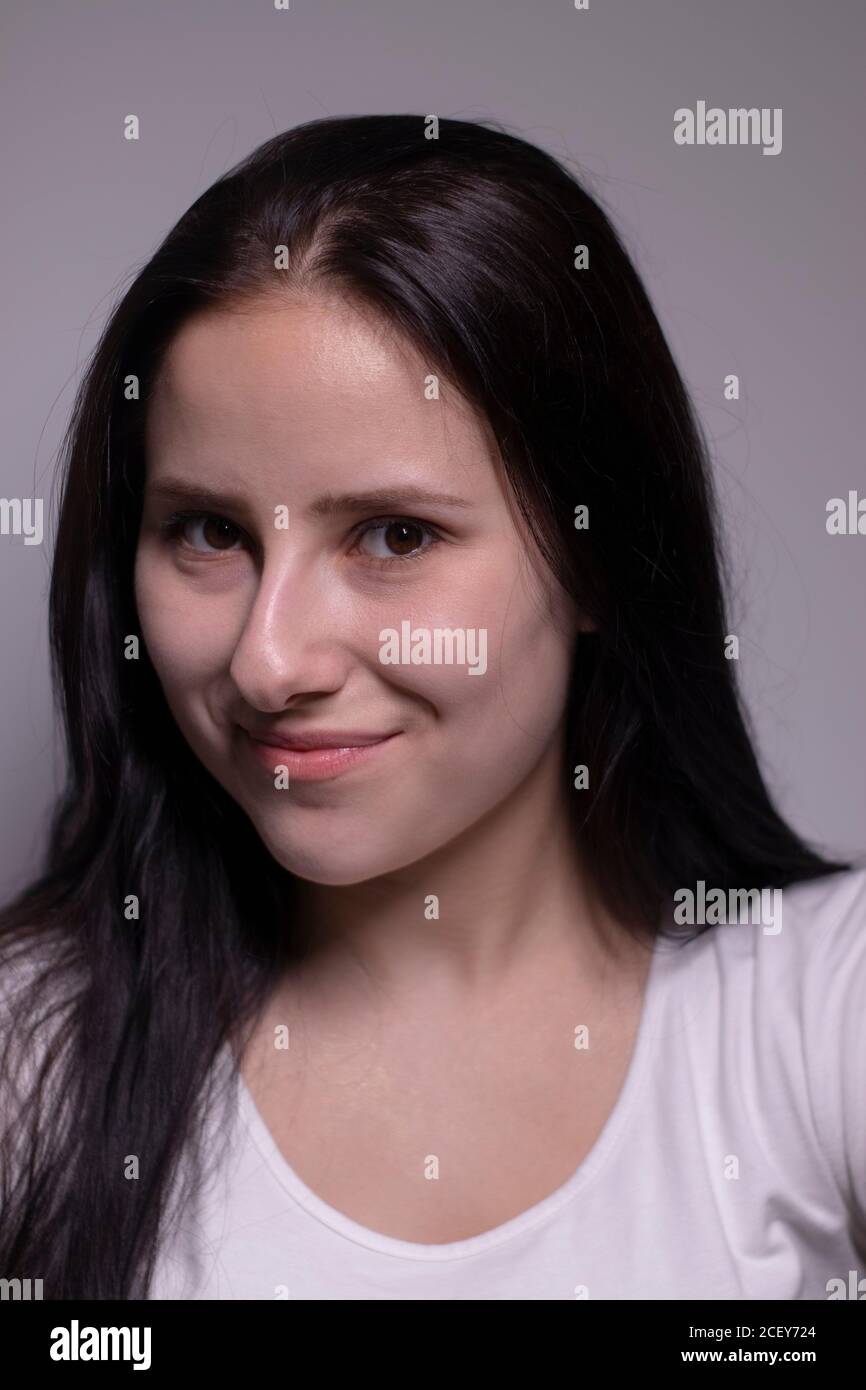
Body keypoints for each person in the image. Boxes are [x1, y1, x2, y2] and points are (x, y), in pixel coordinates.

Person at [0, 114, 862, 1301]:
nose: (268, 660)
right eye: (209, 531)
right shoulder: (30, 1054)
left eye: (394, 535)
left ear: (598, 561)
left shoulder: (821, 1011)